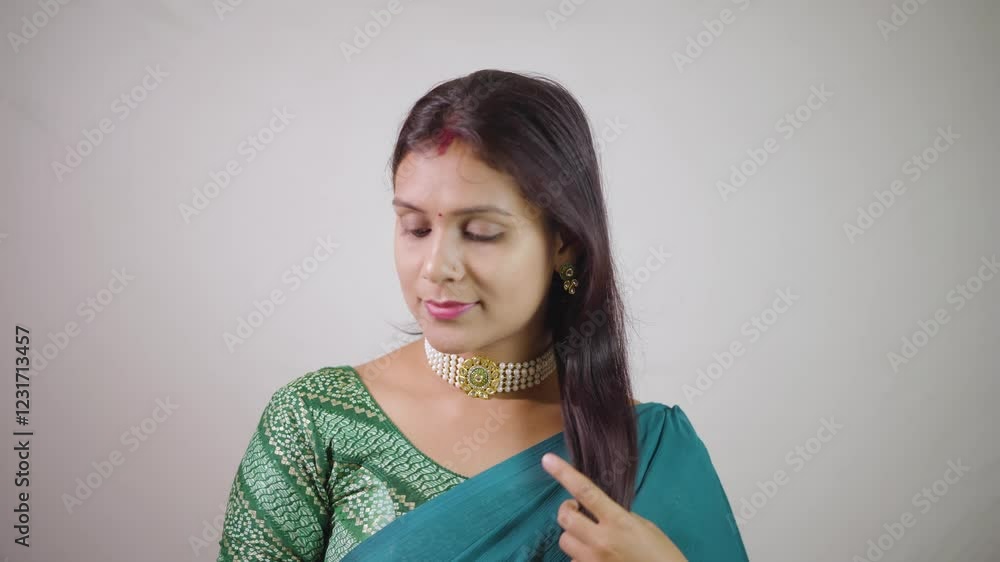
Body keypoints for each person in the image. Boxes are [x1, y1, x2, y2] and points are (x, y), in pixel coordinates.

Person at [216, 69, 750, 561]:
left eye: (481, 233)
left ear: (564, 241)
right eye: (416, 228)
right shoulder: (316, 421)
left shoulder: (649, 448)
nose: (436, 268)